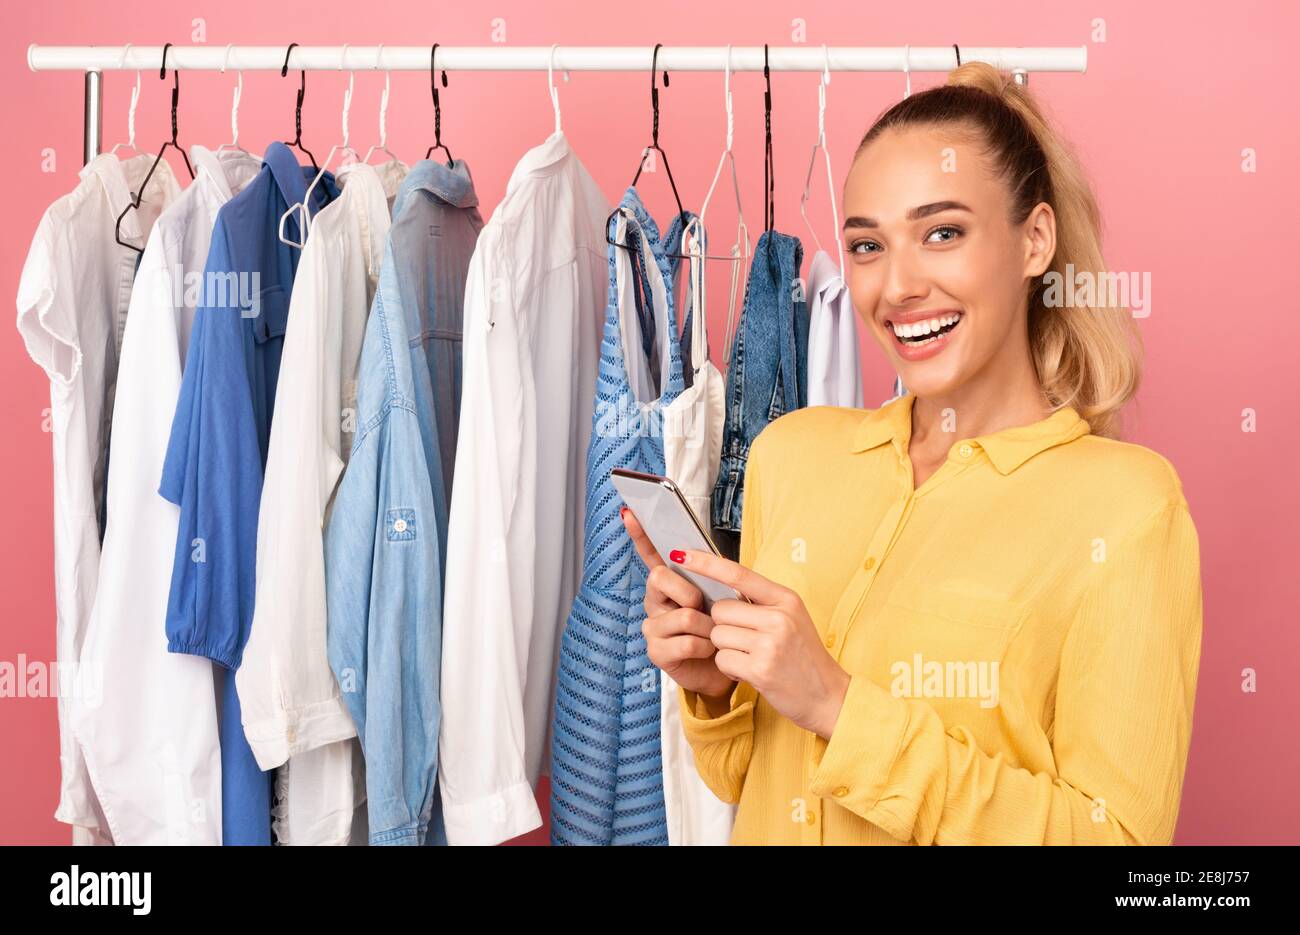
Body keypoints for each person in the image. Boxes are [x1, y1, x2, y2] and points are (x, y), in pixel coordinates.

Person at [622, 62, 1203, 845]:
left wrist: (838, 704)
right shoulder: (791, 456)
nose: (896, 285)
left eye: (942, 233)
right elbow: (753, 779)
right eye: (867, 245)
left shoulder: (1128, 508)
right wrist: (717, 688)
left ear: (1035, 240)